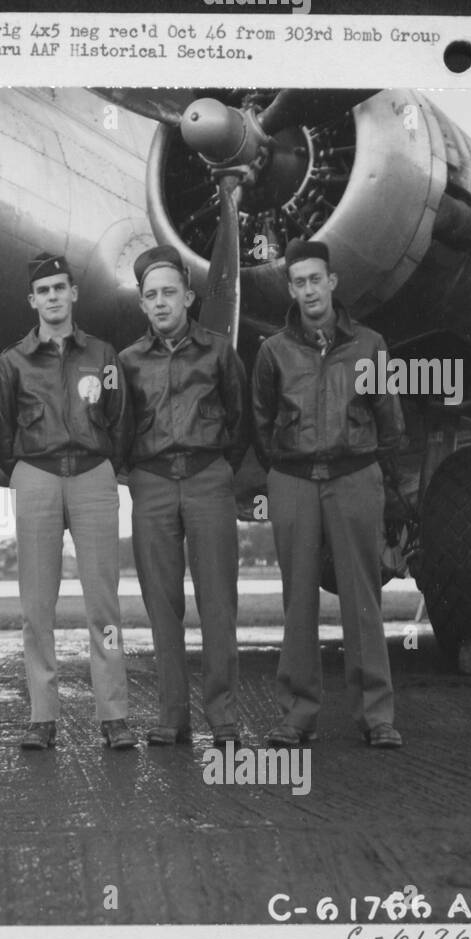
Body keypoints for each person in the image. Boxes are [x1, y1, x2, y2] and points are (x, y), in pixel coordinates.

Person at [251, 239, 405, 750]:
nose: (310, 289)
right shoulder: (273, 351)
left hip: (354, 475)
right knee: (298, 597)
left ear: (332, 282)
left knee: (364, 595)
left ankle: (376, 716)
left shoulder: (371, 345)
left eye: (317, 279)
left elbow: (390, 419)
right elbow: (261, 421)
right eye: (299, 282)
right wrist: (286, 465)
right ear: (291, 289)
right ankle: (297, 716)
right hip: (294, 479)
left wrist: (380, 476)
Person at [0, 253, 135, 751]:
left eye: (60, 288)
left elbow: (120, 420)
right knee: (36, 607)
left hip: (93, 476)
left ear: (74, 293)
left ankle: (114, 715)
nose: (52, 297)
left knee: (104, 605)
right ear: (32, 300)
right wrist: (27, 474)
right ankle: (41, 717)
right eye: (43, 290)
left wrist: (103, 463)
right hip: (37, 475)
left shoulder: (104, 355)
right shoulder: (13, 361)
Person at [120, 245, 247, 746]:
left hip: (207, 477)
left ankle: (224, 718)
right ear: (141, 305)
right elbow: (121, 425)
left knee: (218, 602)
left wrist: (214, 469)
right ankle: (173, 718)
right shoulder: (127, 361)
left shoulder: (218, 351)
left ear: (189, 297)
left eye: (170, 292)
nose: (161, 302)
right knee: (162, 604)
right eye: (151, 295)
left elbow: (240, 421)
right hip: (150, 483)